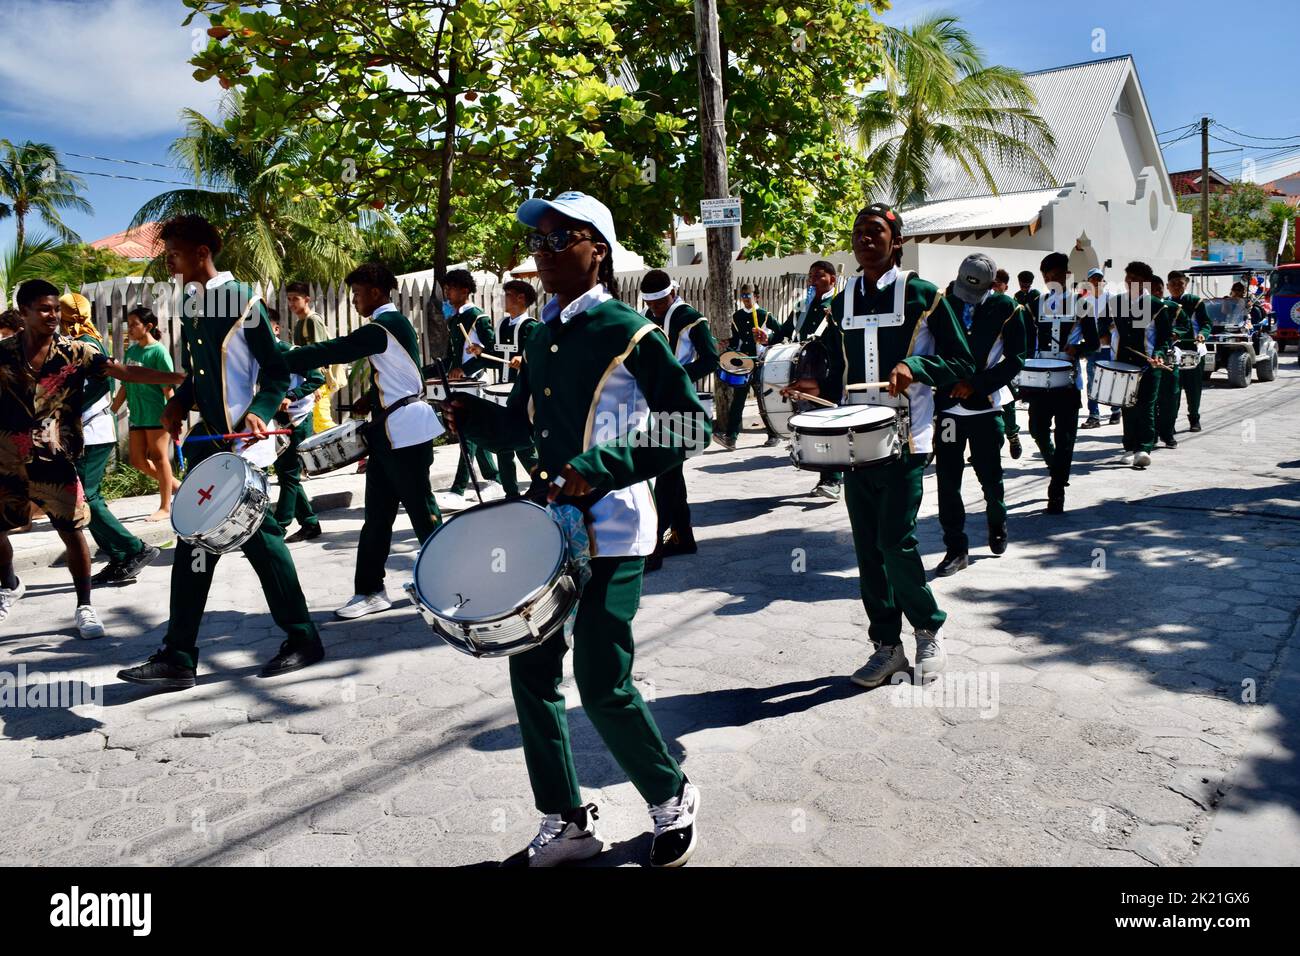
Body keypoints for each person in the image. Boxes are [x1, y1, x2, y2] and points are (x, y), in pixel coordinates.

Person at [447, 190, 703, 868]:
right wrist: (469, 415)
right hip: (550, 534)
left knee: (600, 678)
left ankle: (671, 795)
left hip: (615, 530)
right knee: (530, 676)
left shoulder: (628, 329)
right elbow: (519, 426)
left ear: (599, 250)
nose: (544, 253)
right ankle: (567, 821)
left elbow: (689, 422)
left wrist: (601, 466)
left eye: (561, 240)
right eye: (539, 242)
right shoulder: (537, 332)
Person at [116, 215, 324, 688]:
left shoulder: (239, 299)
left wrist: (262, 409)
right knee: (202, 542)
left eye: (174, 252)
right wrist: (180, 406)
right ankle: (182, 655)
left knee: (255, 539)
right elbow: (200, 371)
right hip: (211, 442)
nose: (168, 260)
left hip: (243, 443)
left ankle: (297, 637)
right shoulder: (193, 302)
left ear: (202, 253)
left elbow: (275, 371)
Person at [814, 203, 975, 688]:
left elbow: (961, 363)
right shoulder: (838, 303)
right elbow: (829, 364)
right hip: (853, 438)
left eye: (876, 231)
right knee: (867, 547)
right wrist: (804, 377)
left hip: (907, 437)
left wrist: (918, 369)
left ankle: (928, 628)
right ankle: (886, 647)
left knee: (894, 540)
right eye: (859, 232)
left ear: (897, 240)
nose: (866, 239)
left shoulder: (923, 294)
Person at [0, 280, 184, 637]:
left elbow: (123, 372)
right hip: (7, 458)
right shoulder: (2, 353)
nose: (53, 315)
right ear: (24, 313)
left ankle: (84, 606)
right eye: (44, 309)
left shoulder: (75, 352)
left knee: (73, 533)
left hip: (55, 460)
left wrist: (176, 378)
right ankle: (9, 585)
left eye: (56, 308)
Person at [285, 262, 445, 618]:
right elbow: (400, 375)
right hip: (391, 432)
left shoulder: (382, 326)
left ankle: (450, 579)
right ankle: (371, 590)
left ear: (375, 292)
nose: (355, 300)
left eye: (357, 294)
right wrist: (371, 399)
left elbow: (335, 350)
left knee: (422, 511)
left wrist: (283, 358)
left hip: (406, 432)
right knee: (377, 516)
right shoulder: (391, 326)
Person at [932, 254, 1027, 576]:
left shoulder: (1008, 309)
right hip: (948, 408)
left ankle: (997, 522)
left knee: (990, 476)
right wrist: (946, 382)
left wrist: (975, 384)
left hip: (986, 406)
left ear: (991, 284)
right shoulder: (944, 302)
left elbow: (1015, 360)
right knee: (947, 480)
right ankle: (955, 549)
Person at [640, 269, 718, 571]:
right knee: (671, 472)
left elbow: (710, 359)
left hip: (681, 402)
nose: (656, 308)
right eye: (652, 304)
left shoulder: (690, 317)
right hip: (655, 401)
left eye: (660, 303)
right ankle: (683, 537)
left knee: (667, 472)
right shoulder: (648, 316)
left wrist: (676, 378)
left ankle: (654, 545)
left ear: (673, 293)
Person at [1024, 253, 1099, 513]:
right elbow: (1026, 338)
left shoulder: (1082, 303)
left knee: (1065, 436)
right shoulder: (1037, 302)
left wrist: (1077, 350)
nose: (1050, 280)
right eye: (1046, 276)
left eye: (1055, 275)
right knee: (1036, 429)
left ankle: (1056, 489)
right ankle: (1056, 467)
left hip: (1067, 378)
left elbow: (1094, 343)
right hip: (1039, 378)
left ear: (1066, 275)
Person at [782, 260, 845, 498]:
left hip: (830, 372)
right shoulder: (803, 305)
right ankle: (826, 475)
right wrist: (767, 337)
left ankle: (832, 479)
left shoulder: (837, 304)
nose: (813, 280)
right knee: (817, 425)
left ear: (832, 279)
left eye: (819, 276)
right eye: (810, 276)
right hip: (807, 373)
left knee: (830, 423)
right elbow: (787, 330)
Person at [111, 305, 178, 522]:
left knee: (159, 459)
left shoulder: (158, 351)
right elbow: (125, 383)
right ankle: (177, 486)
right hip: (137, 415)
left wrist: (174, 415)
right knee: (138, 460)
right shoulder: (131, 351)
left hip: (157, 414)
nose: (129, 329)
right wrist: (112, 409)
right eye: (128, 324)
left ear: (148, 326)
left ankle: (165, 507)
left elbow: (168, 385)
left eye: (134, 324)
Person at [442, 268, 501, 505]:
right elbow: (452, 357)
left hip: (476, 380)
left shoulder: (477, 316)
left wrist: (466, 369)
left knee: (466, 432)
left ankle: (458, 490)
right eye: (446, 289)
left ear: (464, 290)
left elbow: (493, 352)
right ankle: (495, 479)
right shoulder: (455, 318)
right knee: (470, 431)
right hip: (463, 382)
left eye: (451, 288)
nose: (447, 293)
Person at [1107, 261, 1172, 470]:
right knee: (1128, 407)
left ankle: (1143, 448)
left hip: (1148, 365)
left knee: (1146, 407)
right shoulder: (1116, 303)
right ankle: (1129, 448)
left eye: (1134, 279)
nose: (1128, 283)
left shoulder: (1156, 305)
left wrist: (1160, 354)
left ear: (1145, 282)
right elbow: (1104, 329)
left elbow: (1164, 338)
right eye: (1127, 279)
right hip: (1123, 364)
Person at [268, 309, 326, 542]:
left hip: (298, 419)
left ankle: (279, 527)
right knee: (286, 473)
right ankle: (310, 523)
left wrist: (291, 396)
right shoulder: (260, 355)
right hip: (279, 420)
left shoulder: (289, 351)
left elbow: (317, 378)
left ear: (276, 329)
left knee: (289, 474)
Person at [490, 279, 541, 499]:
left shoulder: (532, 327)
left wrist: (525, 359)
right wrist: (479, 351)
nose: (504, 298)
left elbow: (540, 357)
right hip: (501, 391)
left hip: (522, 395)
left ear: (521, 299)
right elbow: (496, 356)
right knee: (503, 445)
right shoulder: (502, 324)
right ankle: (510, 492)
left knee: (522, 445)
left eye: (508, 294)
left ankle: (543, 483)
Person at [720, 284, 782, 449]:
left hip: (761, 361)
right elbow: (735, 341)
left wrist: (767, 337)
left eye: (748, 296)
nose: (746, 299)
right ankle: (731, 437)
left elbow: (781, 333)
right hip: (745, 363)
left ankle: (773, 434)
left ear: (757, 297)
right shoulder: (737, 316)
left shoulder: (765, 315)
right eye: (743, 296)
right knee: (738, 401)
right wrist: (728, 345)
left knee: (764, 400)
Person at [285, 281, 339, 433]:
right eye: (289, 299)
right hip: (309, 381)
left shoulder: (313, 320)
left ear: (307, 300)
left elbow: (319, 353)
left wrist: (314, 385)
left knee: (322, 422)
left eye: (295, 298)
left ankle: (352, 452)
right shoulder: (299, 323)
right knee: (316, 423)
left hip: (317, 381)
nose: (291, 303)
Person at [1150, 275, 1189, 450]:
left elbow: (1185, 324)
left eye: (1159, 289)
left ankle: (1167, 433)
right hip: (1149, 361)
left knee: (1171, 398)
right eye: (1153, 290)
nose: (1157, 293)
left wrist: (1176, 333)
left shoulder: (1172, 307)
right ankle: (1151, 435)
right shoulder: (1137, 310)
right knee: (1151, 400)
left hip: (1169, 359)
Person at [1167, 270, 1207, 432]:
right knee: (1172, 390)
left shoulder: (1195, 301)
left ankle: (1194, 419)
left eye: (1180, 283)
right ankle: (1170, 422)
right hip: (1172, 352)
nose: (1177, 287)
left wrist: (1203, 335)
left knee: (1193, 388)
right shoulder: (1164, 303)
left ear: (1186, 284)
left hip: (1193, 350)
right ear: (1167, 286)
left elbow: (1206, 323)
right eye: (1173, 284)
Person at [1006, 270, 1040, 459]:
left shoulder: (1035, 297)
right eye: (1022, 282)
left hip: (1030, 336)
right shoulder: (1017, 297)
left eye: (1027, 283)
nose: (1024, 286)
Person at [1079, 268, 1113, 428]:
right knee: (1092, 381)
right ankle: (1094, 415)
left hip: (1109, 347)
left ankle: (1116, 409)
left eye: (1099, 278)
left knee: (1111, 380)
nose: (1096, 282)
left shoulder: (1112, 298)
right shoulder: (1084, 301)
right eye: (1093, 279)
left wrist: (1109, 334)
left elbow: (1119, 322)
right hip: (1093, 348)